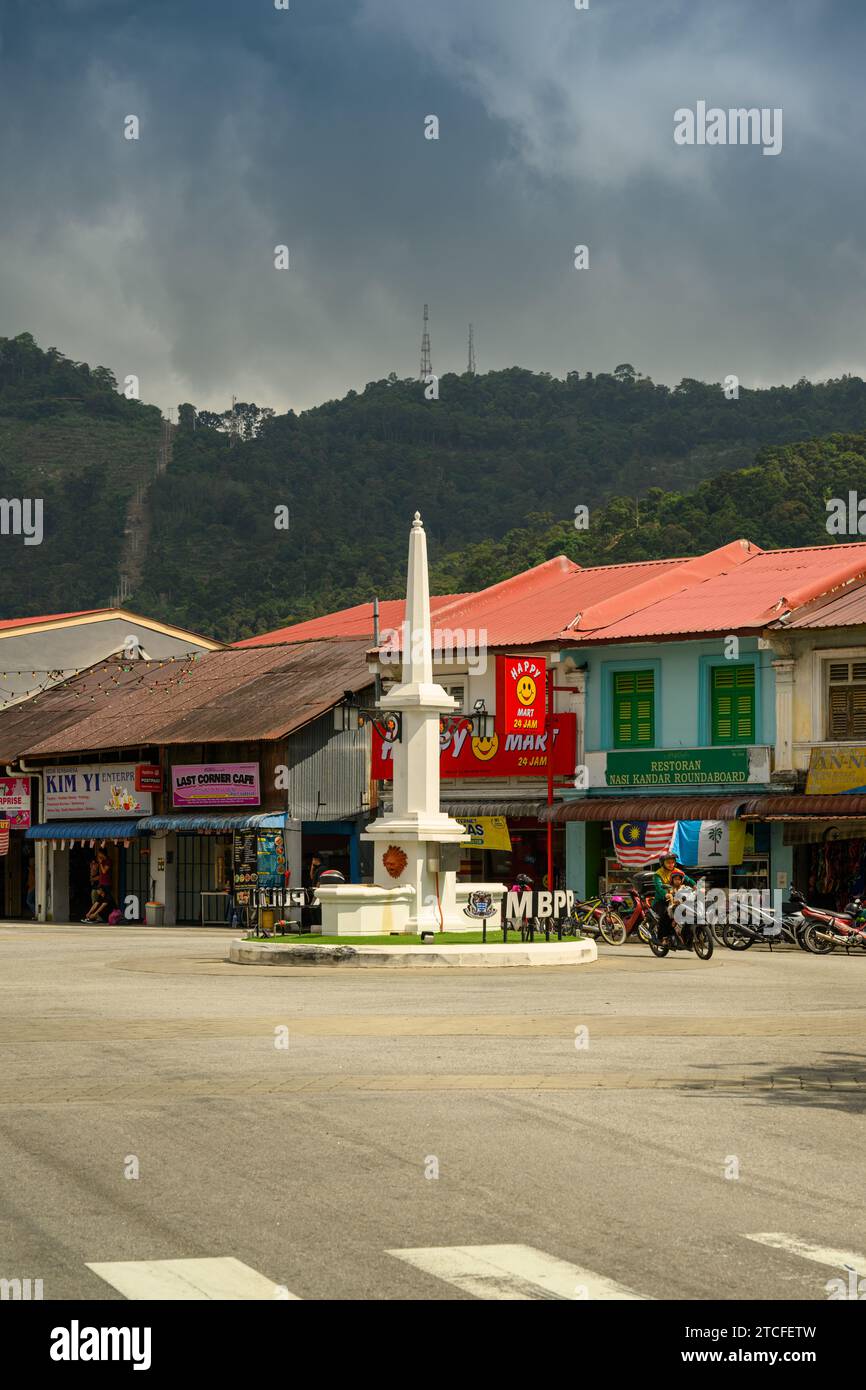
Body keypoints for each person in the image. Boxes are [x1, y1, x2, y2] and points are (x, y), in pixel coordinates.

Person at [653, 854, 696, 946]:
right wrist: (666, 894)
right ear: (662, 863)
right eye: (668, 862)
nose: (671, 864)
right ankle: (661, 937)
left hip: (677, 899)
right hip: (661, 901)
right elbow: (658, 887)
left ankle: (685, 937)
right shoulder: (658, 874)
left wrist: (696, 886)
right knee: (666, 914)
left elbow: (688, 880)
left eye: (672, 862)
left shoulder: (678, 872)